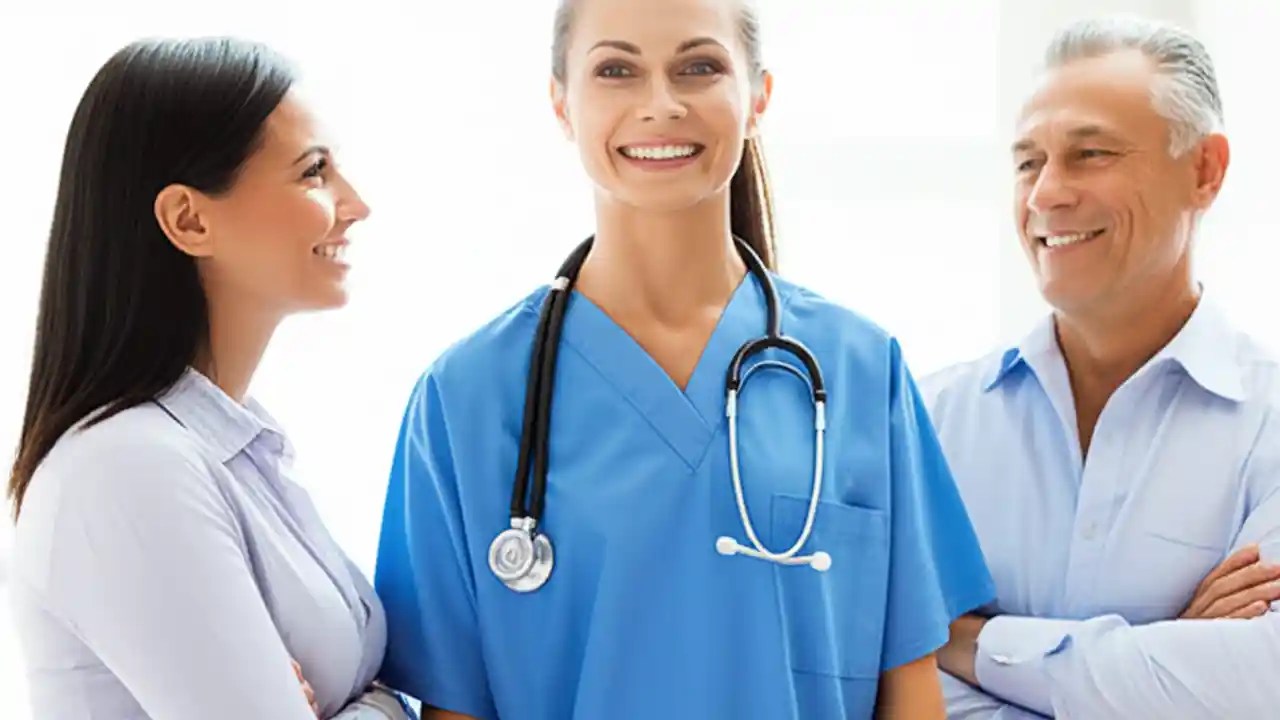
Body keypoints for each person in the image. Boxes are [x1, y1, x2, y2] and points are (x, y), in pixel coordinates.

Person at [371, 0, 995, 718]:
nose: (660, 104)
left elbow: (910, 691)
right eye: (615, 70)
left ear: (758, 97)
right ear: (561, 104)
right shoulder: (465, 399)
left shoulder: (862, 369)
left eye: (699, 67)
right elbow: (454, 706)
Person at [8, 37, 410, 720]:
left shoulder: (228, 446)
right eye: (314, 172)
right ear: (189, 219)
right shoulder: (125, 469)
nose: (356, 204)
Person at [923, 16, 1280, 720]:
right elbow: (881, 681)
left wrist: (966, 641)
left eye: (1090, 153)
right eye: (1028, 161)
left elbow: (1260, 680)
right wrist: (1167, 663)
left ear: (1204, 171)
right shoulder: (928, 423)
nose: (1046, 194)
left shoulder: (1270, 427)